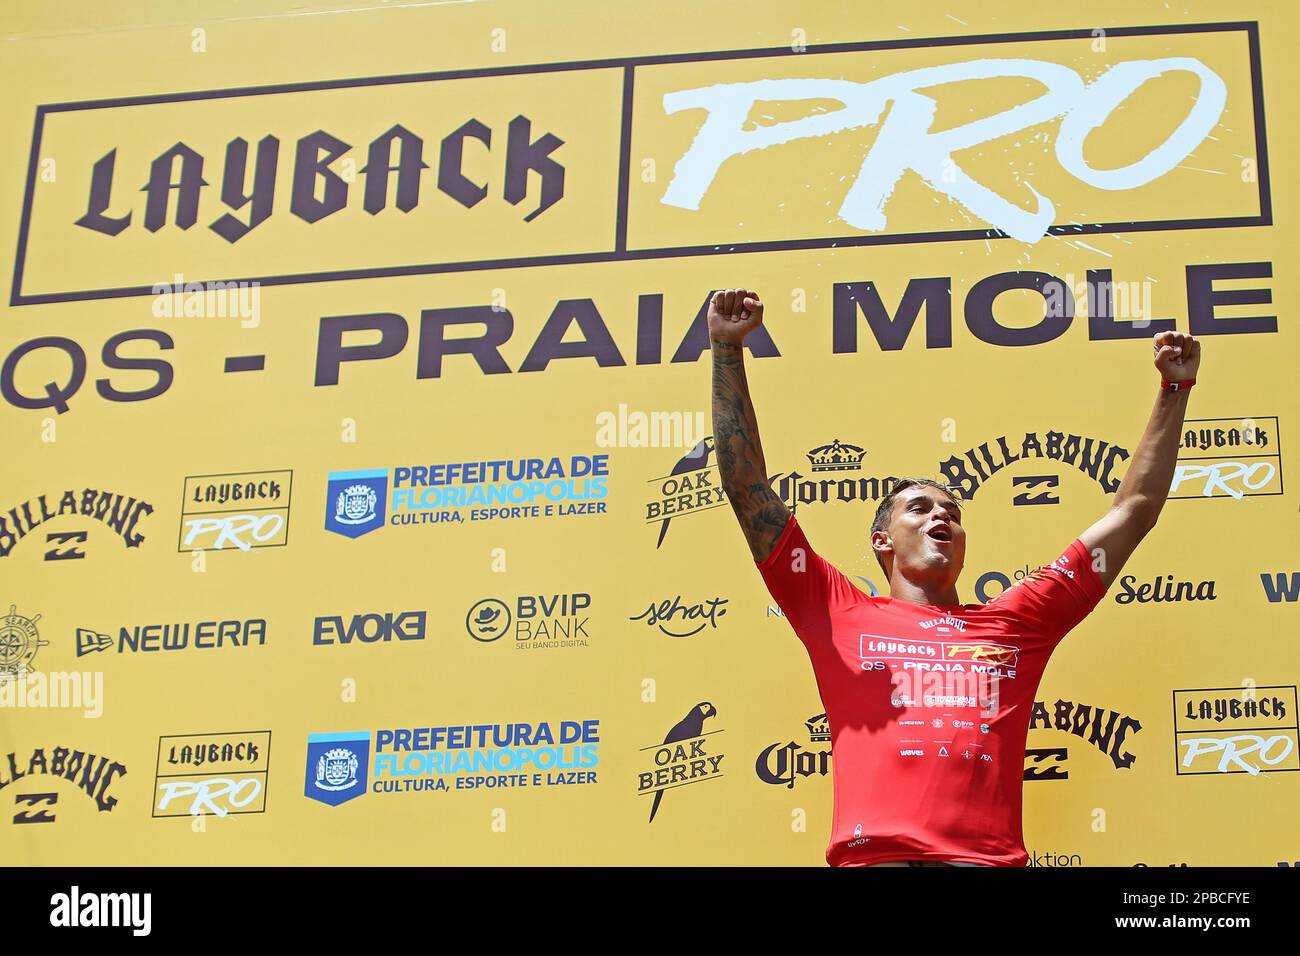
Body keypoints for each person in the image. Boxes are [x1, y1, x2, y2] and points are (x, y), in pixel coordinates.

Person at [707, 287, 1200, 867]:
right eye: (918, 508)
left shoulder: (1017, 621)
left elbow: (1132, 511)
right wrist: (725, 350)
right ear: (881, 541)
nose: (941, 515)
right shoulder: (834, 609)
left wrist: (1174, 389)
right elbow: (747, 489)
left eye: (953, 513)